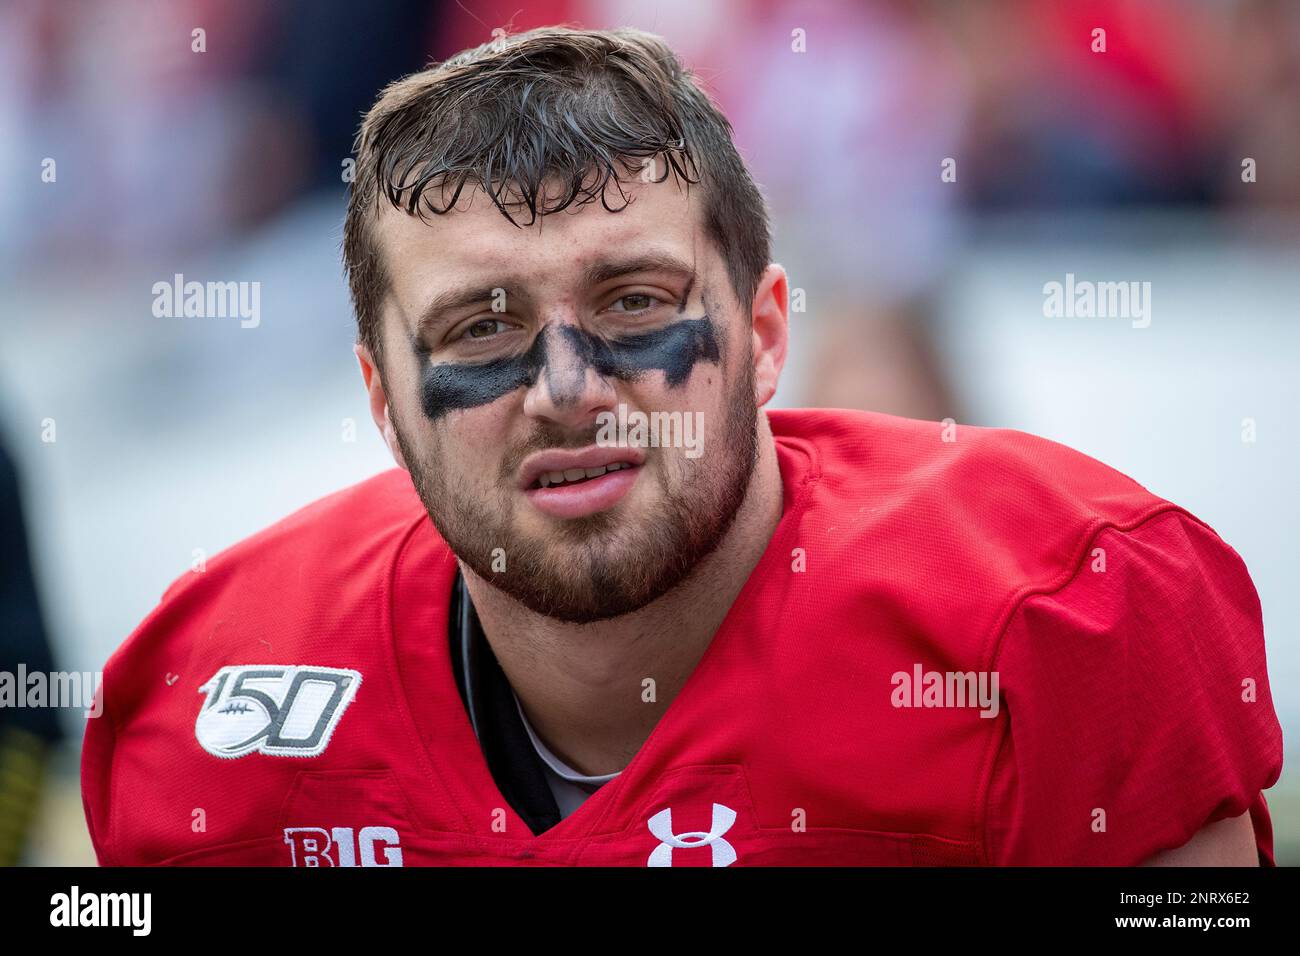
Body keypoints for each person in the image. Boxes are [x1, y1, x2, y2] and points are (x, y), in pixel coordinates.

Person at [82, 26, 1281, 867]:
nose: (566, 388)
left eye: (635, 302)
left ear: (765, 335)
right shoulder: (219, 691)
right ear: (382, 401)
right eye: (478, 325)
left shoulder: (1054, 618)